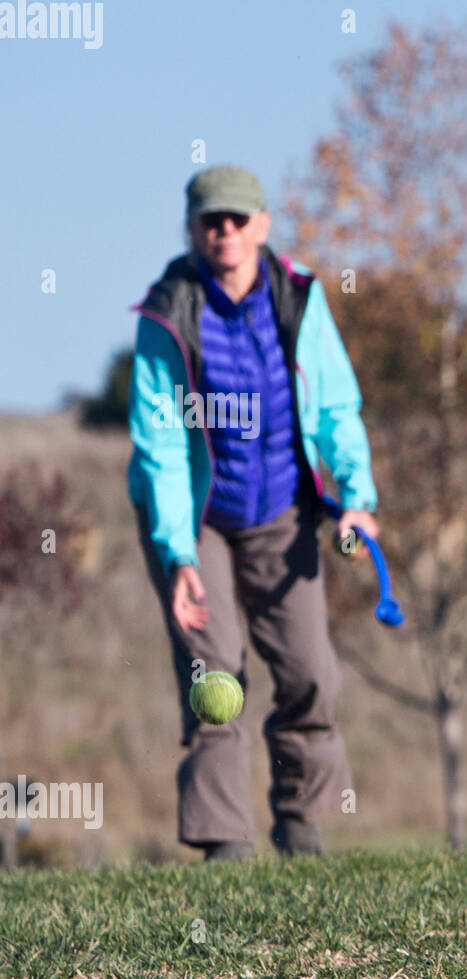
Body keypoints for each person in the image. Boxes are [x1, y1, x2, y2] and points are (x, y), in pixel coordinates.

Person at [127, 164, 378, 861]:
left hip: (281, 509)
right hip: (198, 514)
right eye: (212, 220)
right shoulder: (166, 312)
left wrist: (357, 494)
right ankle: (224, 844)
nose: (225, 231)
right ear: (192, 228)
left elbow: (333, 403)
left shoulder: (298, 295)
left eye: (239, 219)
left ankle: (302, 824)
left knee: (311, 672)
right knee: (218, 678)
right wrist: (179, 554)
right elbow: (162, 445)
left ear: (263, 225)